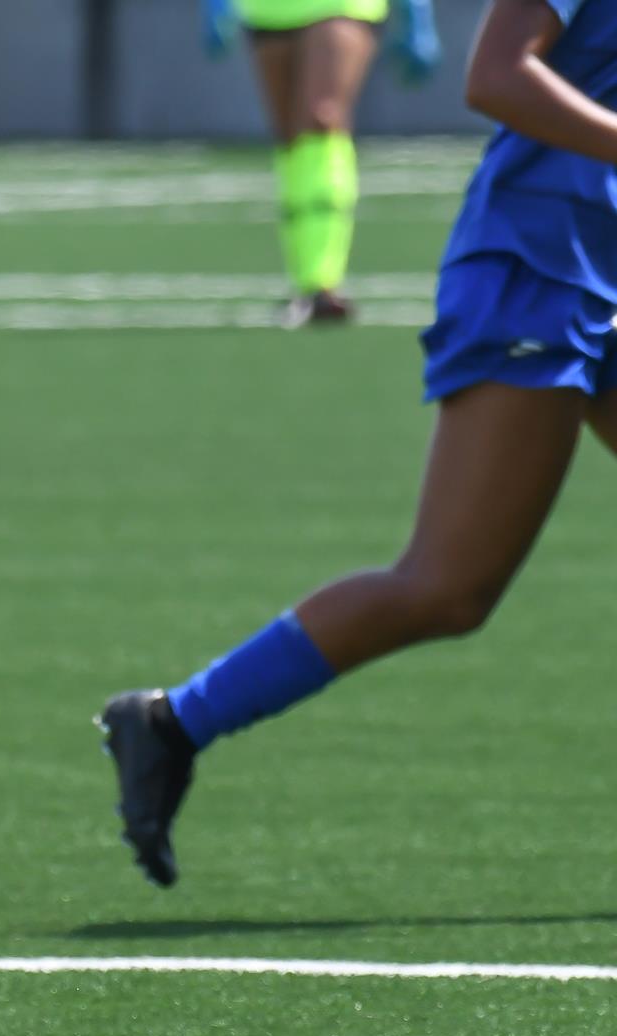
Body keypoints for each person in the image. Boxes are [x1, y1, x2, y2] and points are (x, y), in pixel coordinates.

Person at [106, 0, 617, 885]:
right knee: (447, 587)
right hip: (542, 267)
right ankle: (172, 722)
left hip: (599, 256)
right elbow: (496, 74)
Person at [202, 0, 440, 325]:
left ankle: (324, 281)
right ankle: (305, 281)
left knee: (322, 117)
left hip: (341, 6)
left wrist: (416, 11)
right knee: (291, 139)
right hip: (268, 10)